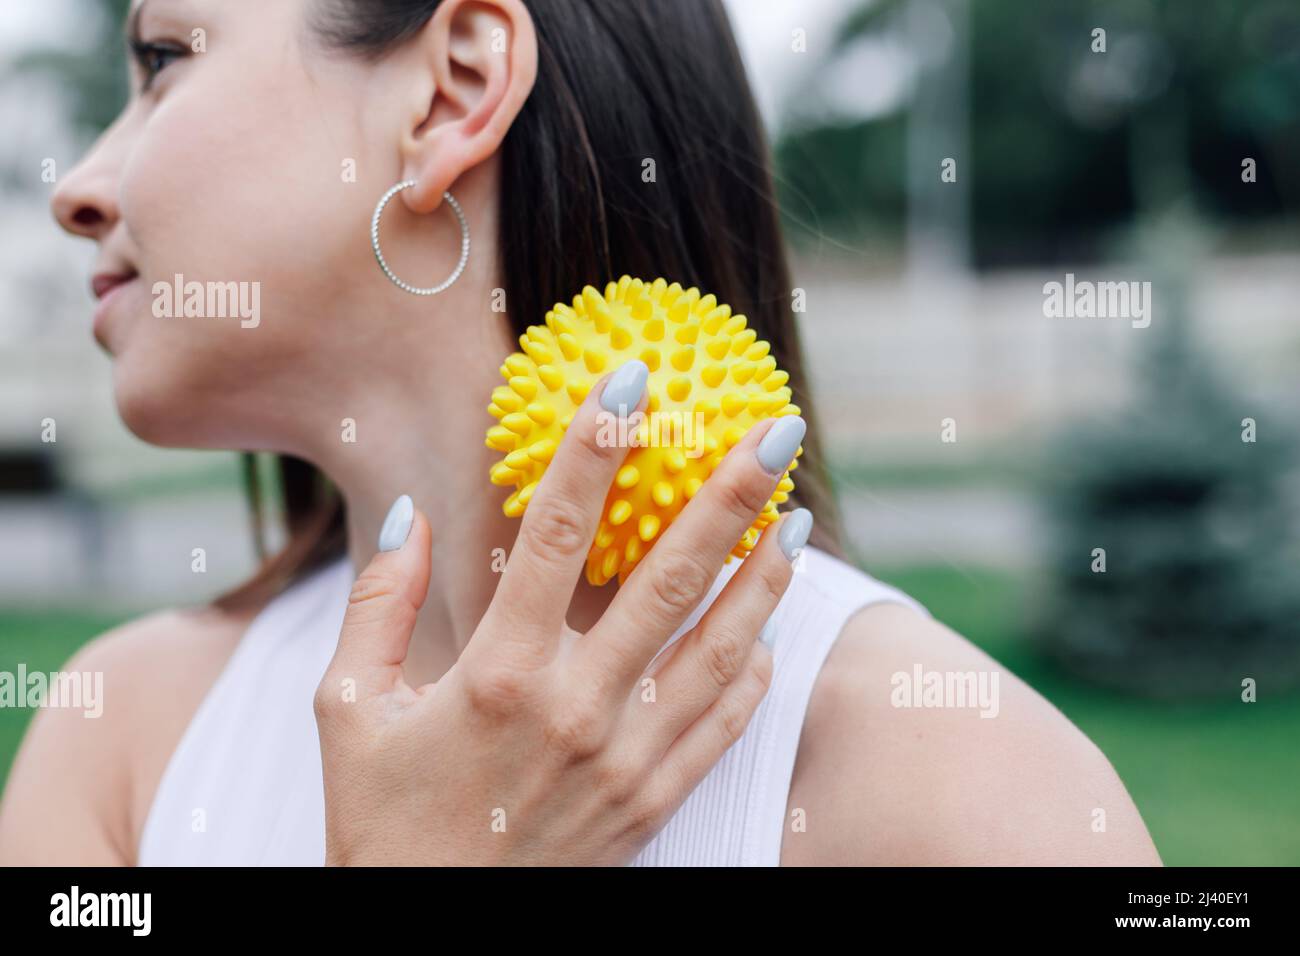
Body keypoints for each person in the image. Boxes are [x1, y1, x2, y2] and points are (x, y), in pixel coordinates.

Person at [0, 0, 1160, 866]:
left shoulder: (960, 787)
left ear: (454, 89)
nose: (79, 186)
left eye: (160, 61)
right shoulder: (119, 738)